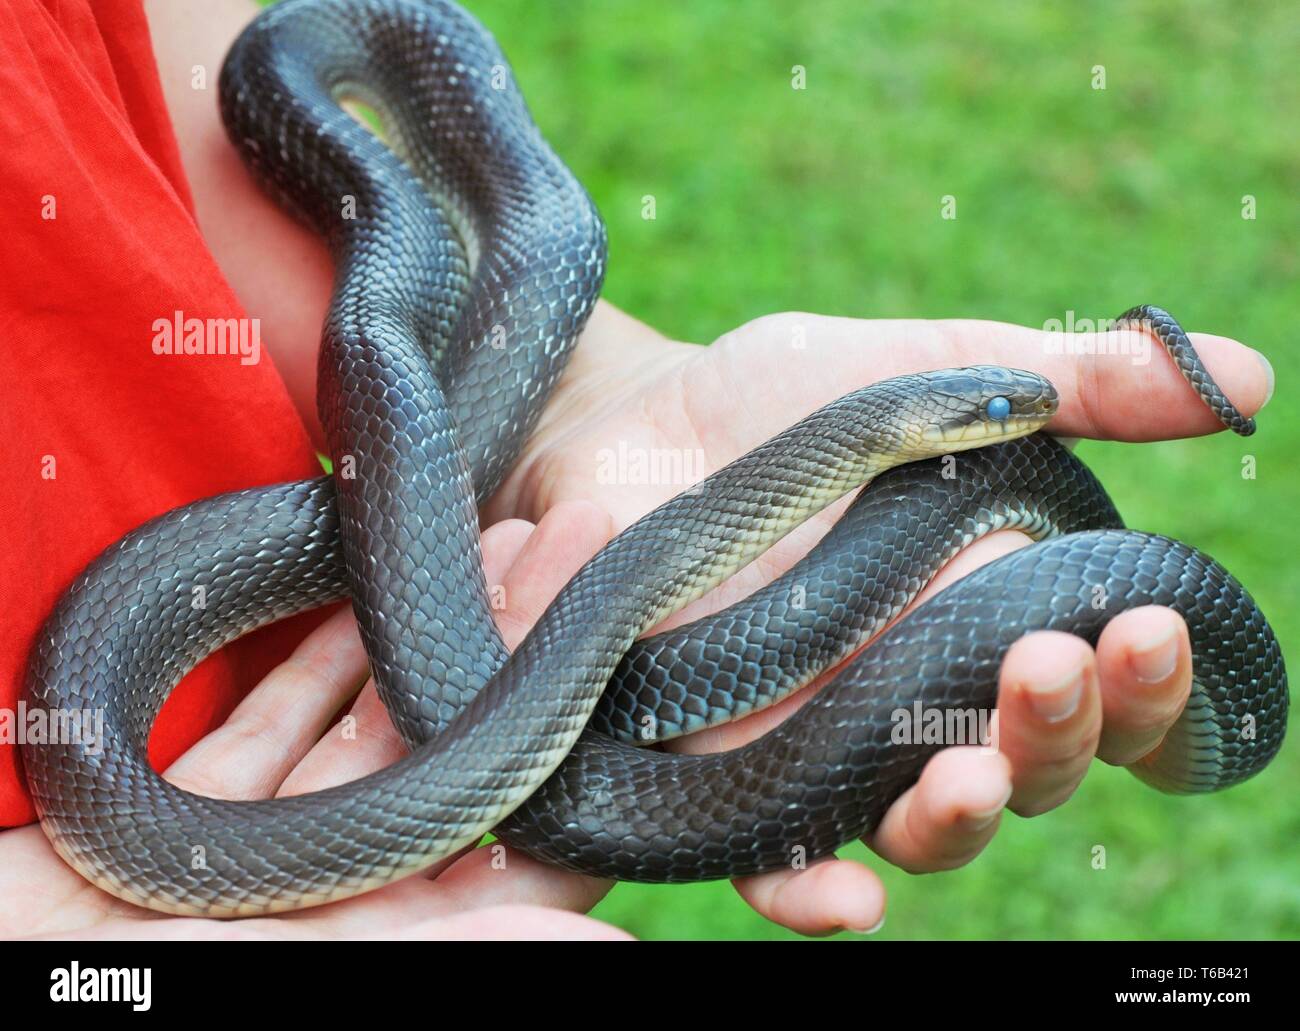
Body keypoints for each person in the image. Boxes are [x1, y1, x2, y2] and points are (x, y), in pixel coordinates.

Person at [0, 0, 1272, 939]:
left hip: (268, 701)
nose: (1017, 419)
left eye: (996, 424)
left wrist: (577, 393)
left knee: (442, 298)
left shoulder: (339, 114)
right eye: (992, 419)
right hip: (133, 803)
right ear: (907, 433)